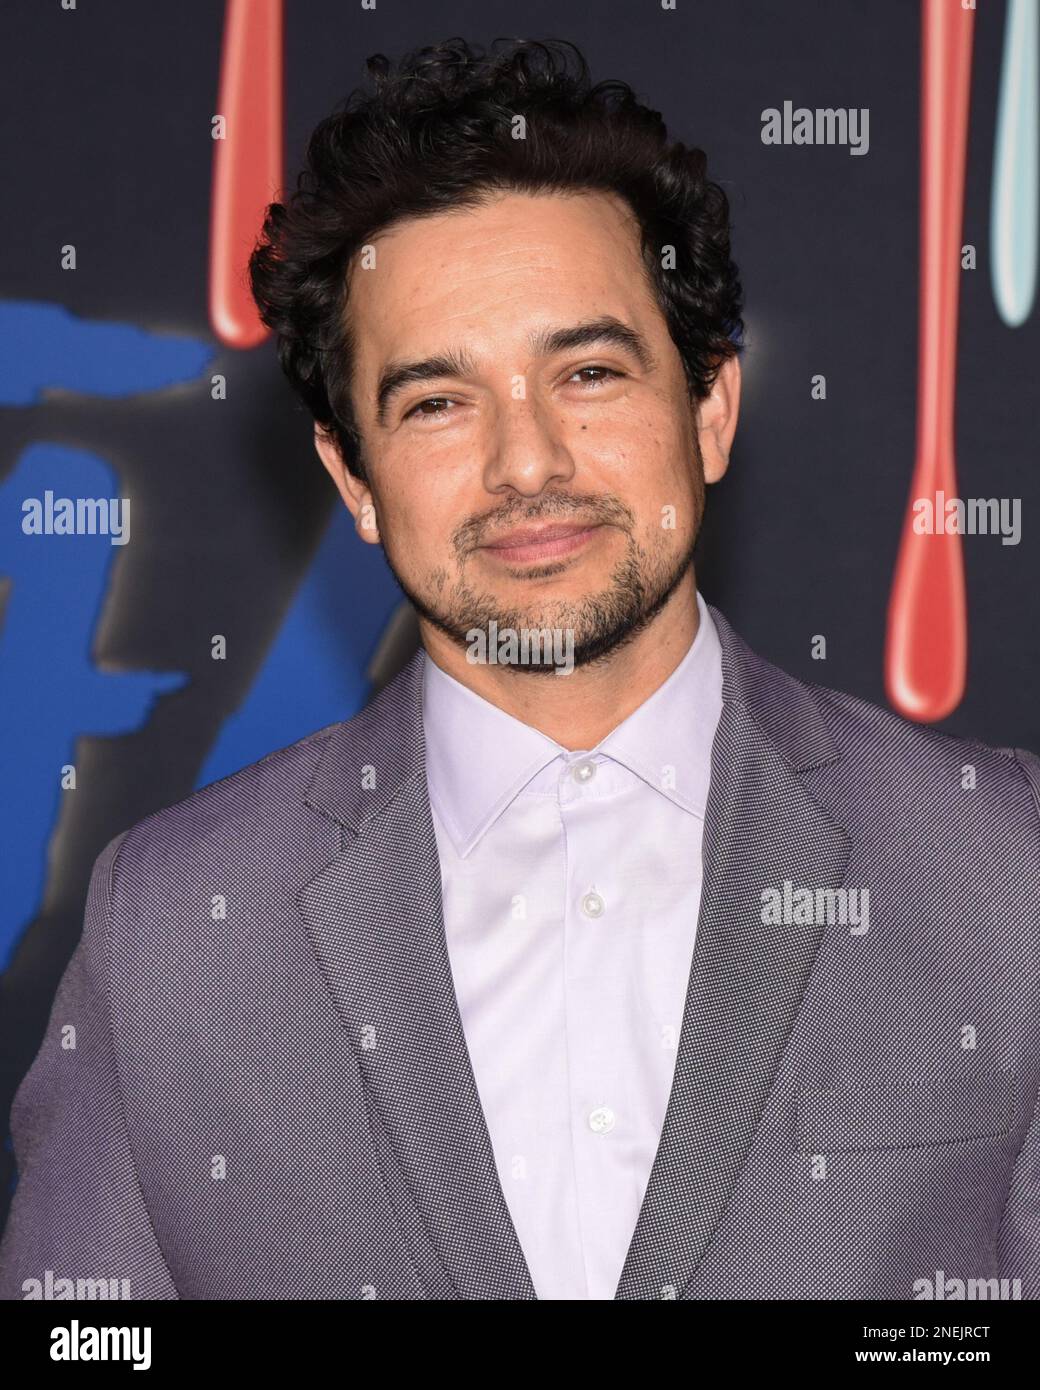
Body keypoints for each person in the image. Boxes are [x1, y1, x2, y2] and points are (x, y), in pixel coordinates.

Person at [2, 37, 1038, 1302]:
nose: (526, 463)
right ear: (351, 477)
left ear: (708, 407)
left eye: (587, 374)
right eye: (437, 402)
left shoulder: (997, 869)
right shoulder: (169, 925)